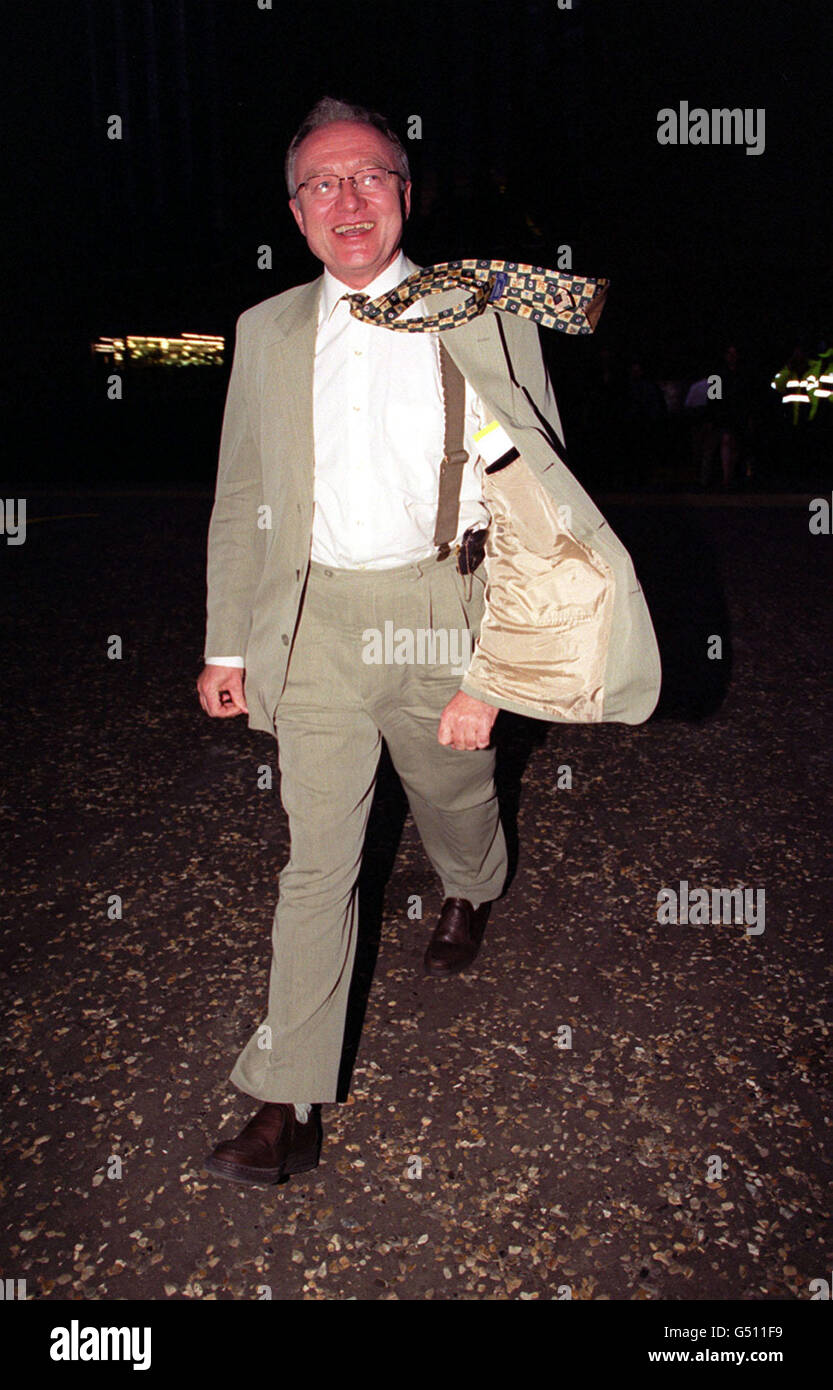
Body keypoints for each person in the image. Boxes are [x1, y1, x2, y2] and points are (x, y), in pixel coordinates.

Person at [197, 97, 661, 1188]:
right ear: (296, 211)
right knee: (317, 864)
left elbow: (528, 499)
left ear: (404, 194)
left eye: (367, 177)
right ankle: (287, 1096)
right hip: (313, 624)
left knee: (455, 794)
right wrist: (227, 645)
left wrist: (499, 661)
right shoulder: (265, 330)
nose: (345, 200)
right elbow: (241, 496)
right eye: (320, 183)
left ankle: (471, 881)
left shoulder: (478, 307)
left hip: (440, 607)